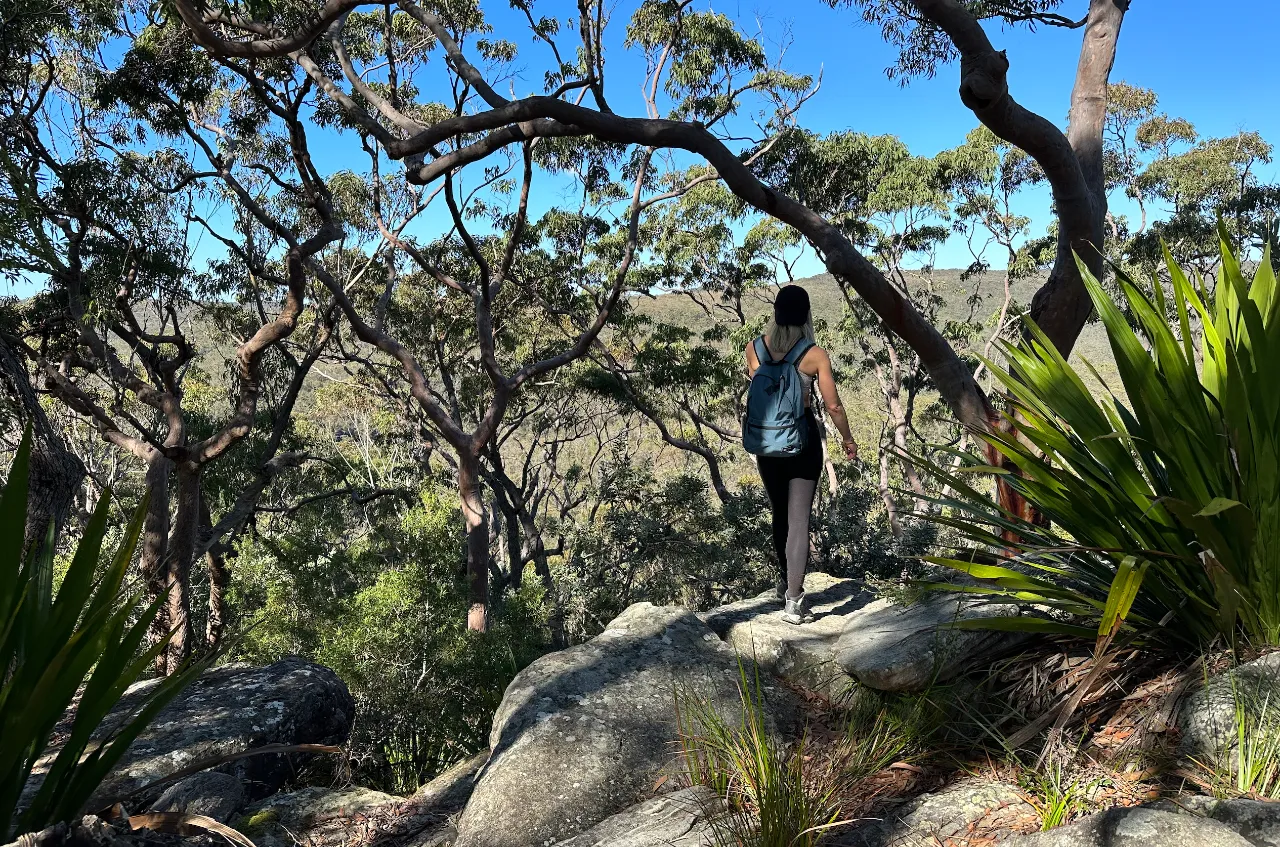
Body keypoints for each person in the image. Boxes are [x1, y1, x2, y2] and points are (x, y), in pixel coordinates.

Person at [745, 284, 858, 624]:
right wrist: (848, 439)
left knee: (780, 513)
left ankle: (785, 585)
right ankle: (794, 602)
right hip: (801, 441)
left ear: (776, 312)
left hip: (766, 443)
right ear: (807, 314)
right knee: (799, 519)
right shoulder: (814, 354)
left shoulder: (754, 349)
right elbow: (833, 405)